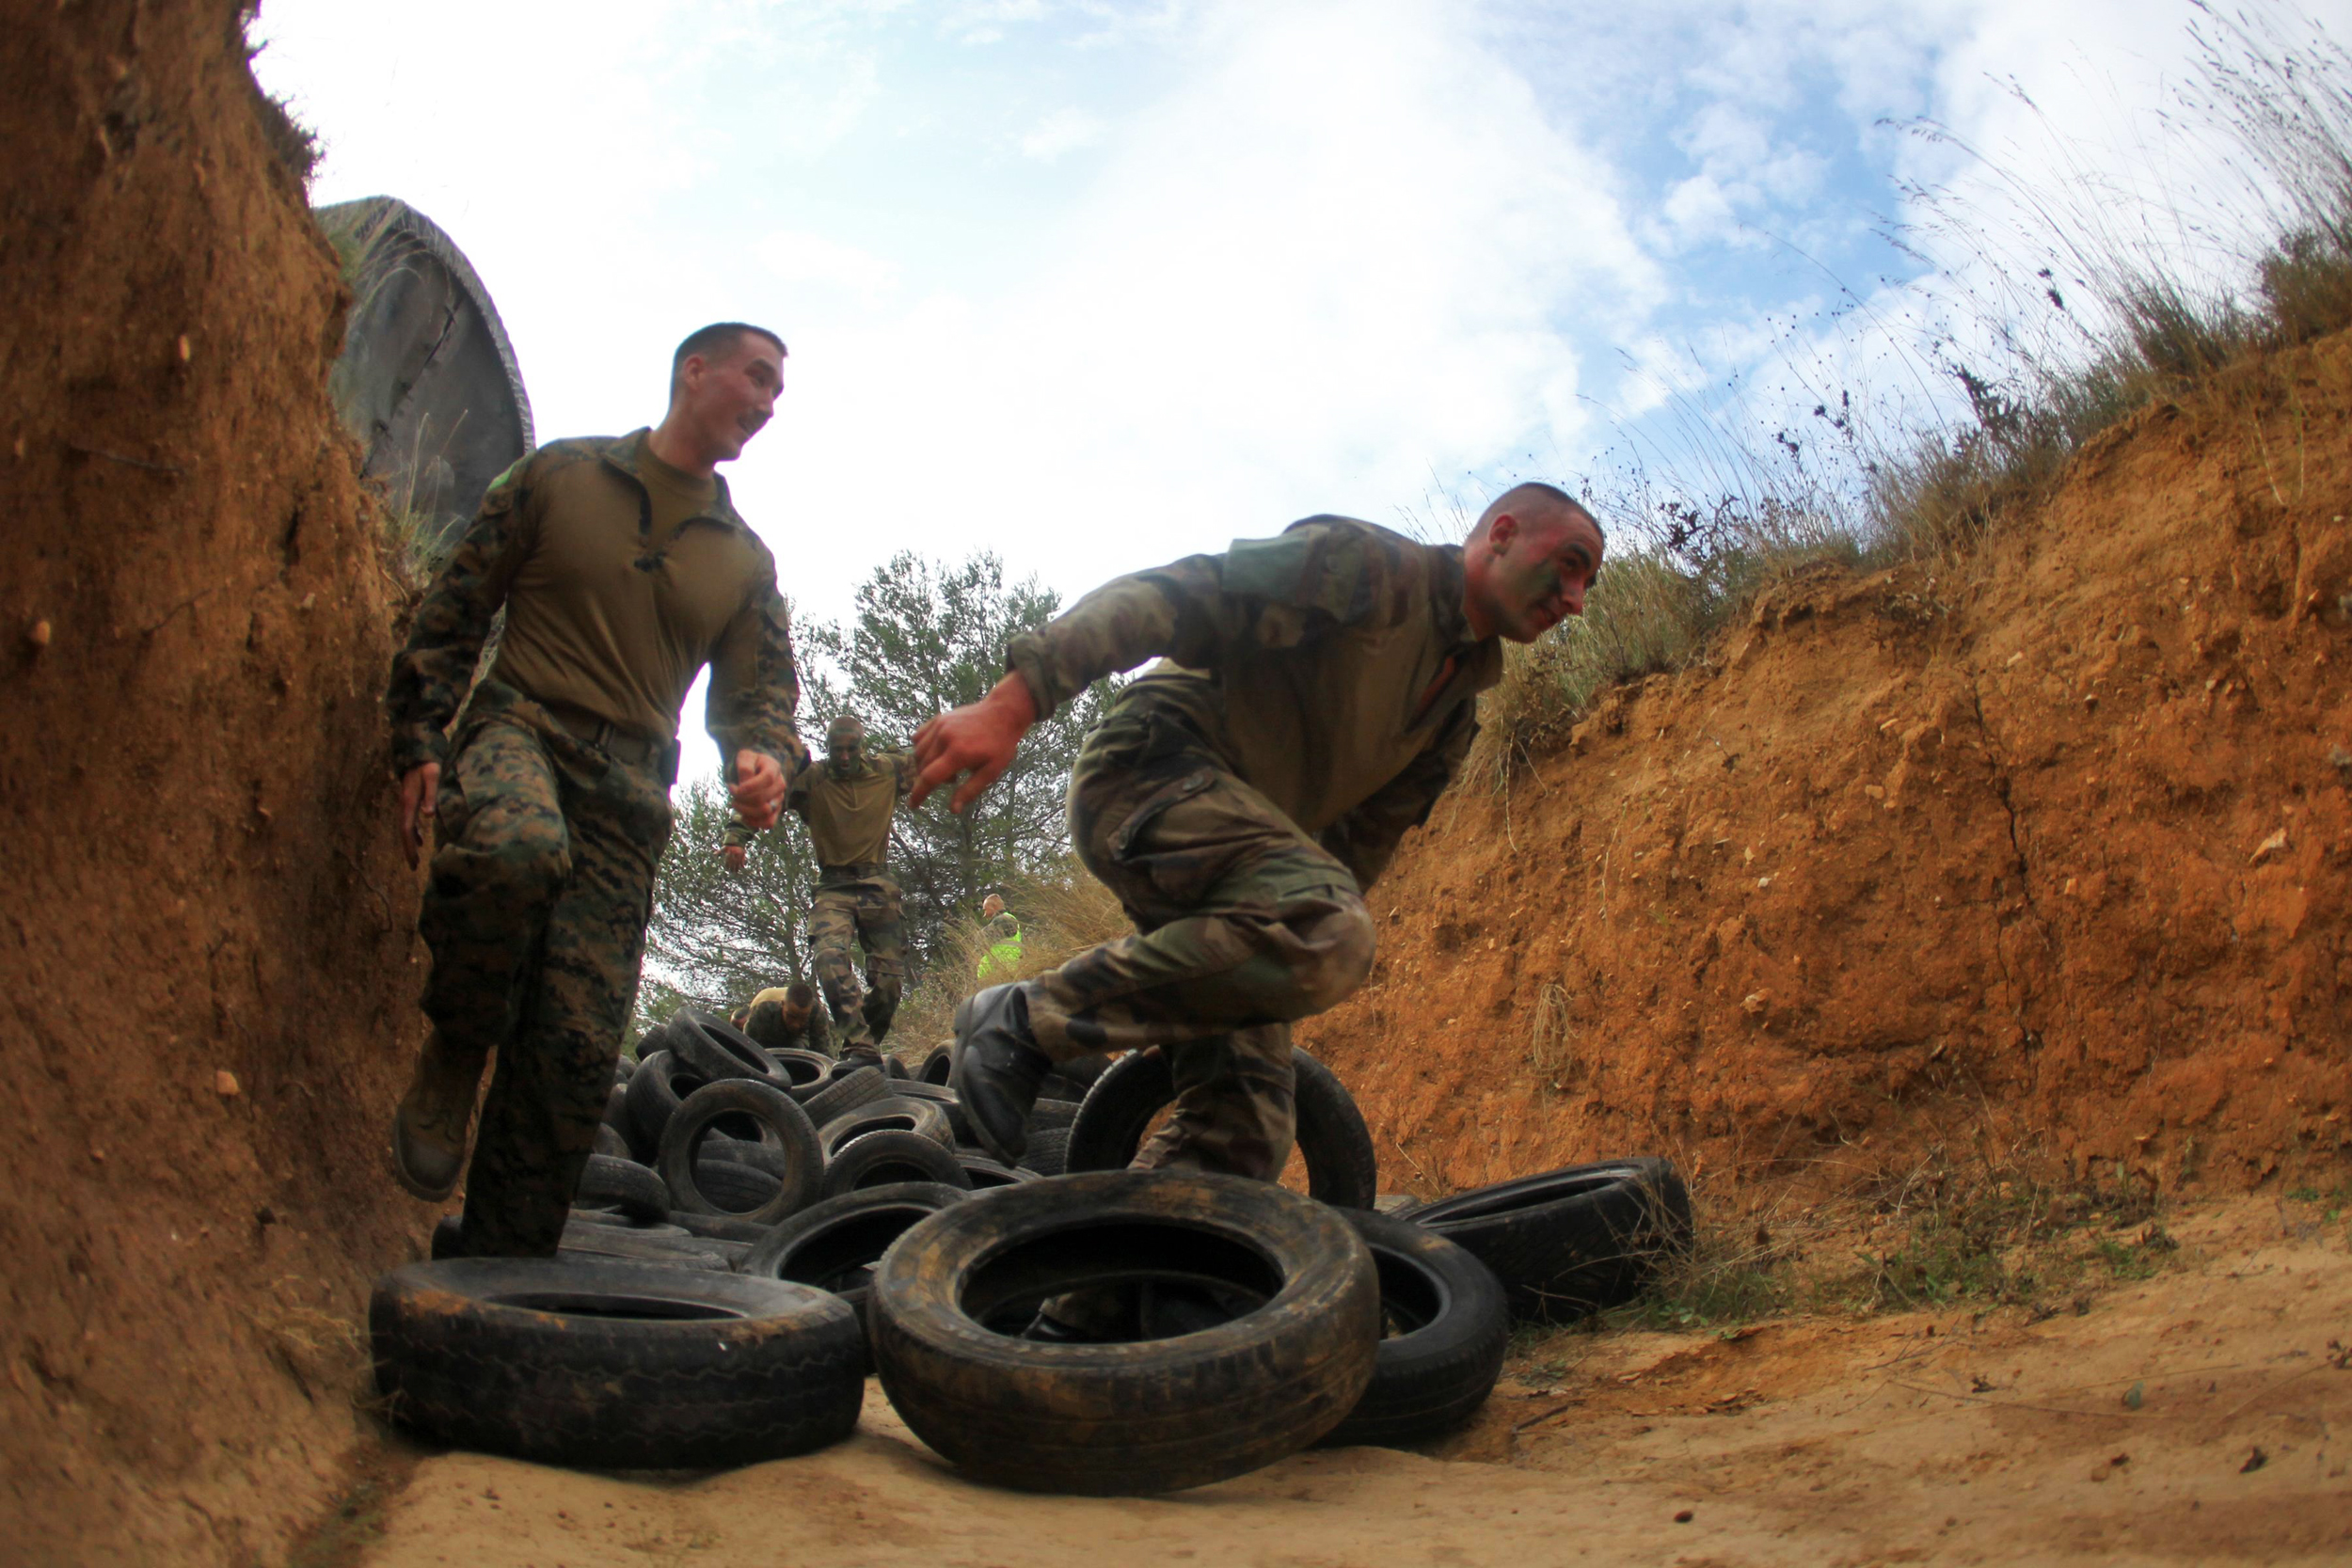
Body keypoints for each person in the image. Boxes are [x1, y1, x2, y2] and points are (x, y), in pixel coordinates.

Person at [913, 485, 1603, 1193]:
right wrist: (1017, 698)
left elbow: (1351, 856)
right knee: (1330, 928)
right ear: (1504, 533)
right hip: (1147, 770)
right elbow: (1181, 594)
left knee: (1245, 1130)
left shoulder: (1454, 716)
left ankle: (1107, 1294)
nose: (1576, 598)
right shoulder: (1369, 570)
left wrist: (1263, 966)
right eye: (1570, 564)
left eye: (1589, 582)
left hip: (1240, 862)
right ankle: (1024, 1019)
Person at [384, 321, 809, 1258]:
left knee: (575, 1050)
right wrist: (420, 727)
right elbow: (458, 605)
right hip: (518, 727)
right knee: (516, 849)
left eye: (779, 392)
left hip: (628, 792)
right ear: (694, 371)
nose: (769, 404)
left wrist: (766, 758)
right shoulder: (558, 476)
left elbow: (762, 703)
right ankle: (455, 1043)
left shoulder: (743, 559)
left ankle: (497, 1279)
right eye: (758, 378)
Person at [784, 712, 915, 1058]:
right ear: (827, 748)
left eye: (851, 749)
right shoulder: (812, 779)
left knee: (889, 983)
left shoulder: (887, 769)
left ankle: (859, 1048)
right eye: (836, 749)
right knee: (828, 956)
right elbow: (764, 795)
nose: (844, 757)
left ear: (862, 746)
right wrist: (737, 837)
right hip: (833, 886)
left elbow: (938, 759)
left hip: (877, 881)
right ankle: (858, 1042)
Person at [743, 980, 835, 1058]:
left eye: (803, 1019)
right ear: (782, 1005)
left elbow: (824, 1052)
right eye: (791, 1016)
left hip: (798, 1040)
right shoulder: (762, 1010)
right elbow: (748, 1047)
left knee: (799, 1050)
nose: (796, 1025)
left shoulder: (816, 1011)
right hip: (767, 1036)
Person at [976, 892, 1024, 980]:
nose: (984, 915)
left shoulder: (1005, 919)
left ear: (993, 906)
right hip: (1000, 971)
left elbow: (983, 937)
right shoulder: (1003, 920)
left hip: (1003, 971)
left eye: (985, 910)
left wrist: (979, 936)